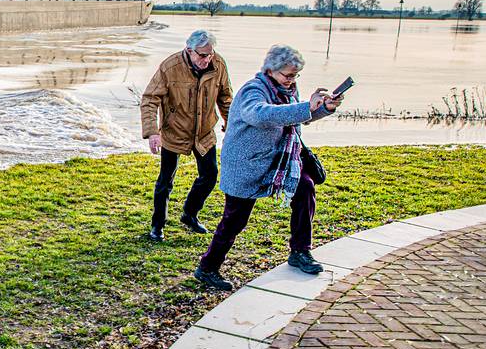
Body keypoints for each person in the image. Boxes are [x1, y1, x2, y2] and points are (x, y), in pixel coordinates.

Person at [194, 44, 343, 291]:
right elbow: (262, 116)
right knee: (234, 220)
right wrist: (307, 106)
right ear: (270, 70)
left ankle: (300, 251)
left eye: (295, 75)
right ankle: (208, 267)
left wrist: (324, 108)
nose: (291, 80)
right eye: (287, 75)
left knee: (305, 187)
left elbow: (295, 116)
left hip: (280, 161)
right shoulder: (253, 91)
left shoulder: (288, 90)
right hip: (247, 164)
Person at [139, 29, 234, 242]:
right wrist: (153, 132)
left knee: (210, 175)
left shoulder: (218, 64)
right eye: (202, 55)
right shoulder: (170, 67)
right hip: (175, 131)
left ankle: (189, 213)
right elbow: (149, 99)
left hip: (204, 132)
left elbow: (226, 97)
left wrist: (231, 122)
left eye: (210, 53)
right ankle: (157, 225)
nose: (207, 58)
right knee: (165, 181)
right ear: (189, 50)